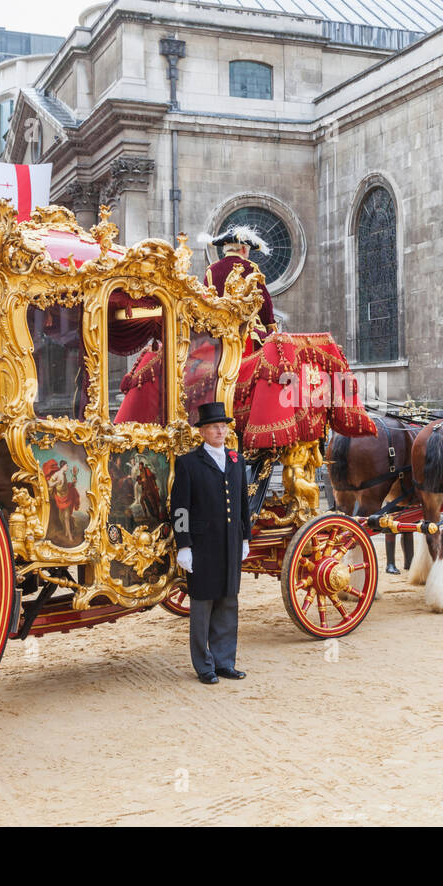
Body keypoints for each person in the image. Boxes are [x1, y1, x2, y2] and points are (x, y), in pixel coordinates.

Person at [170, 401, 251, 684]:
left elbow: (243, 502)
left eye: (223, 426)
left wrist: (245, 537)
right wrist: (184, 545)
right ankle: (204, 666)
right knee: (203, 607)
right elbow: (180, 509)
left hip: (230, 542)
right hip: (202, 546)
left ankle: (224, 662)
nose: (220, 430)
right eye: (214, 427)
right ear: (202, 431)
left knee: (228, 603)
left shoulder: (235, 459)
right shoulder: (189, 463)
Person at [202, 225, 277, 349]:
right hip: (246, 331)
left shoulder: (211, 270)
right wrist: (270, 326)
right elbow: (264, 302)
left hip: (218, 332)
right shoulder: (250, 267)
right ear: (243, 248)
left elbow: (206, 300)